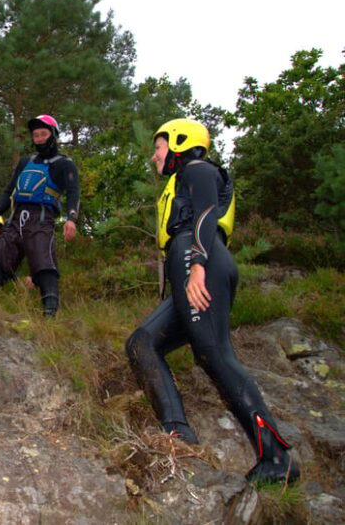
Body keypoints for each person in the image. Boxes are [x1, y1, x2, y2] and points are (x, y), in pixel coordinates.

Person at [125, 118, 300, 484]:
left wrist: (197, 264)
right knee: (142, 342)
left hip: (200, 259)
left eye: (158, 147)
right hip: (190, 260)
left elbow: (205, 213)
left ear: (179, 142)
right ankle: (178, 433)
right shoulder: (183, 177)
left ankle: (277, 458)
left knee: (215, 354)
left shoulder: (198, 169)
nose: (155, 156)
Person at [0, 114, 80, 316]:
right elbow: (9, 190)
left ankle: (50, 314)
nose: (40, 138)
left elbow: (73, 192)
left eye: (44, 134)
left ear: (53, 135)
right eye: (36, 135)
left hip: (41, 219)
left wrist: (71, 219)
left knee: (44, 263)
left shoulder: (65, 164)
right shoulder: (26, 161)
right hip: (16, 218)